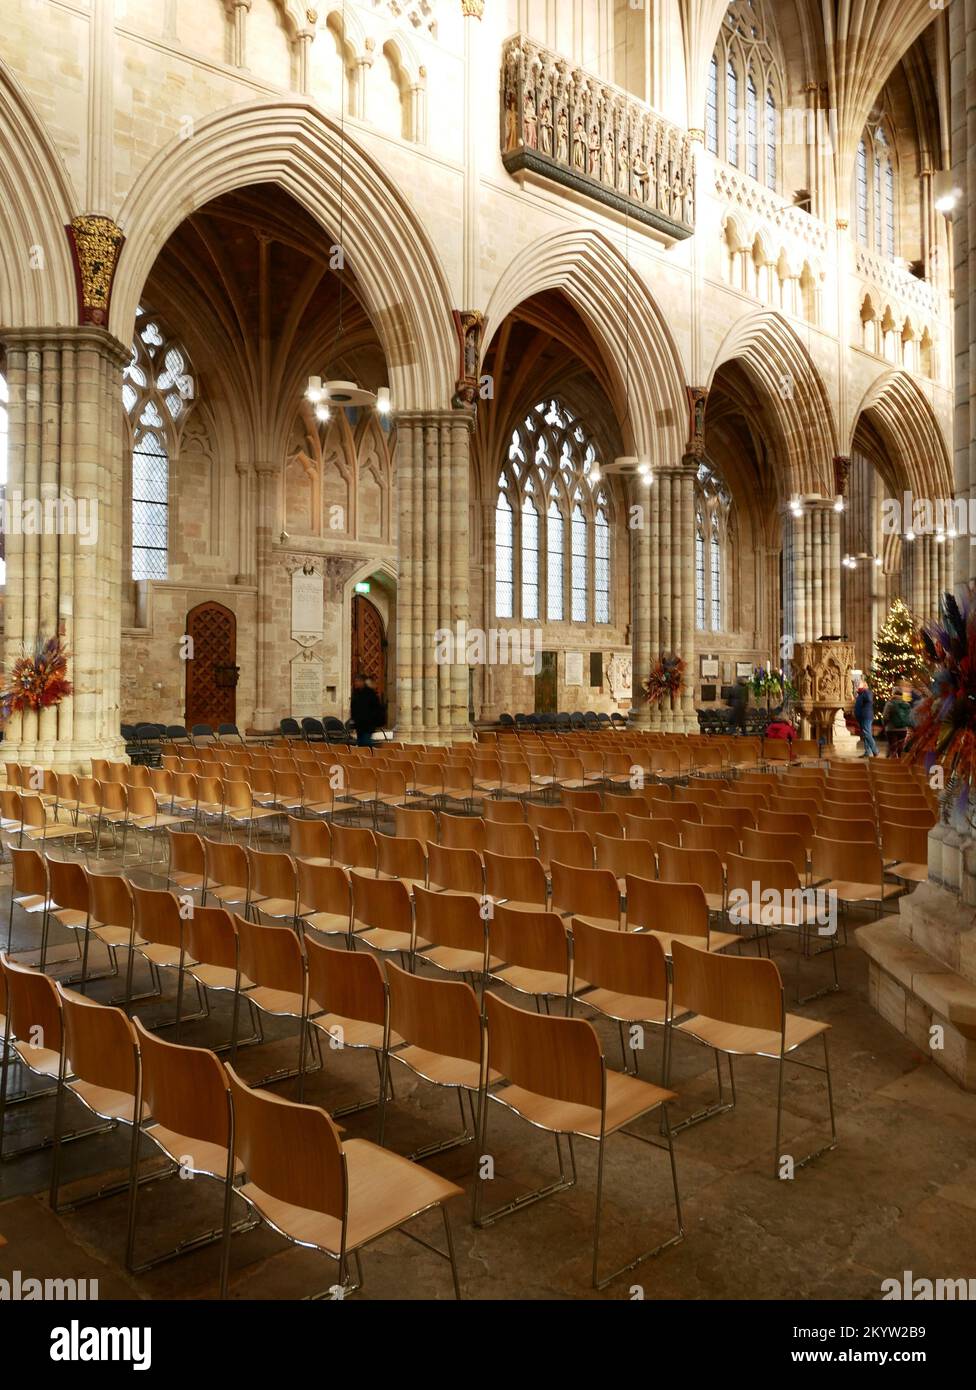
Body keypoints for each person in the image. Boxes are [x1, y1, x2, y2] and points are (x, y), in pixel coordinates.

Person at [350, 673, 385, 749]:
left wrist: (373, 721)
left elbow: (376, 709)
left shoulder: (370, 693)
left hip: (368, 725)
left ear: (362, 682)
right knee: (361, 744)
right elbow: (354, 707)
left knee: (366, 743)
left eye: (358, 681)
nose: (356, 683)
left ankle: (369, 754)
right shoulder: (356, 693)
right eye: (355, 681)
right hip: (359, 725)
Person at [882, 686, 913, 758]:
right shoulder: (906, 704)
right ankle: (900, 762)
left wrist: (884, 725)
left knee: (893, 748)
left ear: (893, 693)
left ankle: (893, 763)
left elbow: (885, 716)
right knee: (900, 749)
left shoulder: (890, 703)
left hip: (891, 729)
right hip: (903, 729)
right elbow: (909, 717)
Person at [854, 681, 880, 758]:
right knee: (865, 734)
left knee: (867, 733)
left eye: (860, 684)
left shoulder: (867, 692)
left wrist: (864, 690)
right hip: (861, 717)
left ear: (864, 685)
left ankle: (875, 750)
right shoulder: (860, 694)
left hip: (866, 716)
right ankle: (868, 752)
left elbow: (869, 699)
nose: (858, 685)